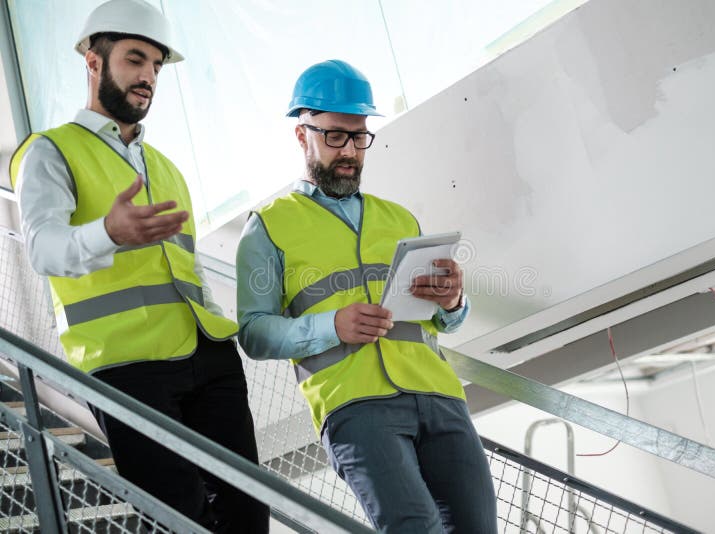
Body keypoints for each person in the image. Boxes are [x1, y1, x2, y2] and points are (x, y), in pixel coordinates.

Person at [9, 1, 269, 531]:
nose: (148, 76)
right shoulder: (49, 151)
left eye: (155, 65)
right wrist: (109, 231)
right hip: (127, 366)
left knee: (248, 510)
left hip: (209, 353)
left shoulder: (167, 168)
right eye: (134, 59)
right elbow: (42, 248)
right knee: (177, 515)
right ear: (93, 62)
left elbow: (186, 268)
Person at [236, 59, 497, 533]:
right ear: (302, 135)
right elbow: (253, 332)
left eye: (359, 136)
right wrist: (330, 326)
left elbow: (441, 322)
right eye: (336, 135)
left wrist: (454, 302)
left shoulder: (399, 218)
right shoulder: (268, 226)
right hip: (356, 406)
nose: (351, 151)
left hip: (438, 396)